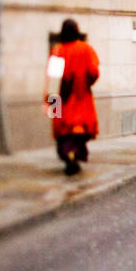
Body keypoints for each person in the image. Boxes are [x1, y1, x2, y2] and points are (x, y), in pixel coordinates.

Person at [46, 18, 100, 176]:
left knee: (64, 133)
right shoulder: (86, 49)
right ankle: (74, 156)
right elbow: (94, 72)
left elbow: (53, 83)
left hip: (62, 101)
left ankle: (70, 156)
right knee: (79, 132)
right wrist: (85, 83)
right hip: (81, 98)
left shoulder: (57, 51)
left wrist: (50, 104)